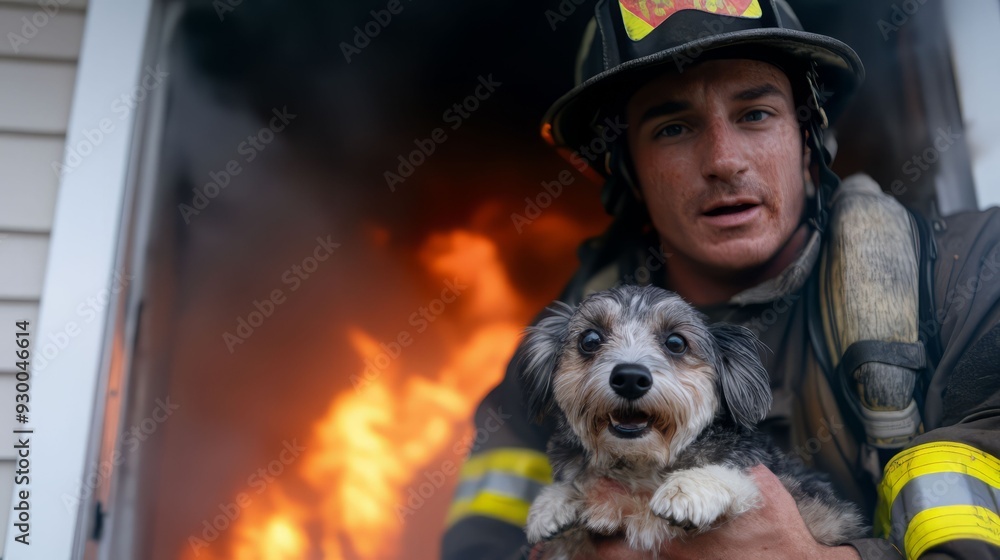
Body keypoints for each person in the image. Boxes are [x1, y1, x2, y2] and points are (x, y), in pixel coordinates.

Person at [441, 1, 1000, 559]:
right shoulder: (554, 359)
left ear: (808, 134)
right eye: (674, 127)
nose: (724, 161)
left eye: (755, 114)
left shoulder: (973, 282)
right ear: (626, 167)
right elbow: (480, 543)